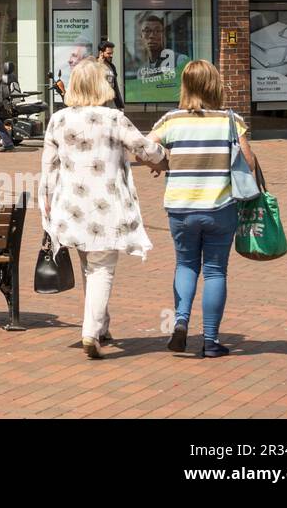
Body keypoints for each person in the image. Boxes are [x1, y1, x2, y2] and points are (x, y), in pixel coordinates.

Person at [39, 58, 161, 359]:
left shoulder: (58, 119)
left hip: (71, 205)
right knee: (101, 269)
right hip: (107, 205)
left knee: (89, 266)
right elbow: (144, 148)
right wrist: (162, 153)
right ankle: (90, 331)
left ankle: (101, 324)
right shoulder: (113, 118)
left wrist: (47, 207)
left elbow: (48, 169)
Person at [144, 60, 258, 358]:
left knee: (185, 264)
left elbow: (142, 148)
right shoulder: (230, 121)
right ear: (215, 85)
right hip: (220, 208)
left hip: (180, 209)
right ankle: (210, 340)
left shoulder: (172, 120)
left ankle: (181, 321)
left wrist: (162, 163)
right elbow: (249, 162)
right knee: (215, 271)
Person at [97, 39, 124, 109]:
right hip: (98, 103)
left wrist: (119, 104)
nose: (111, 55)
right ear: (101, 53)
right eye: (108, 53)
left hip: (111, 103)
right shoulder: (94, 65)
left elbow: (115, 86)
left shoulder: (111, 66)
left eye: (112, 53)